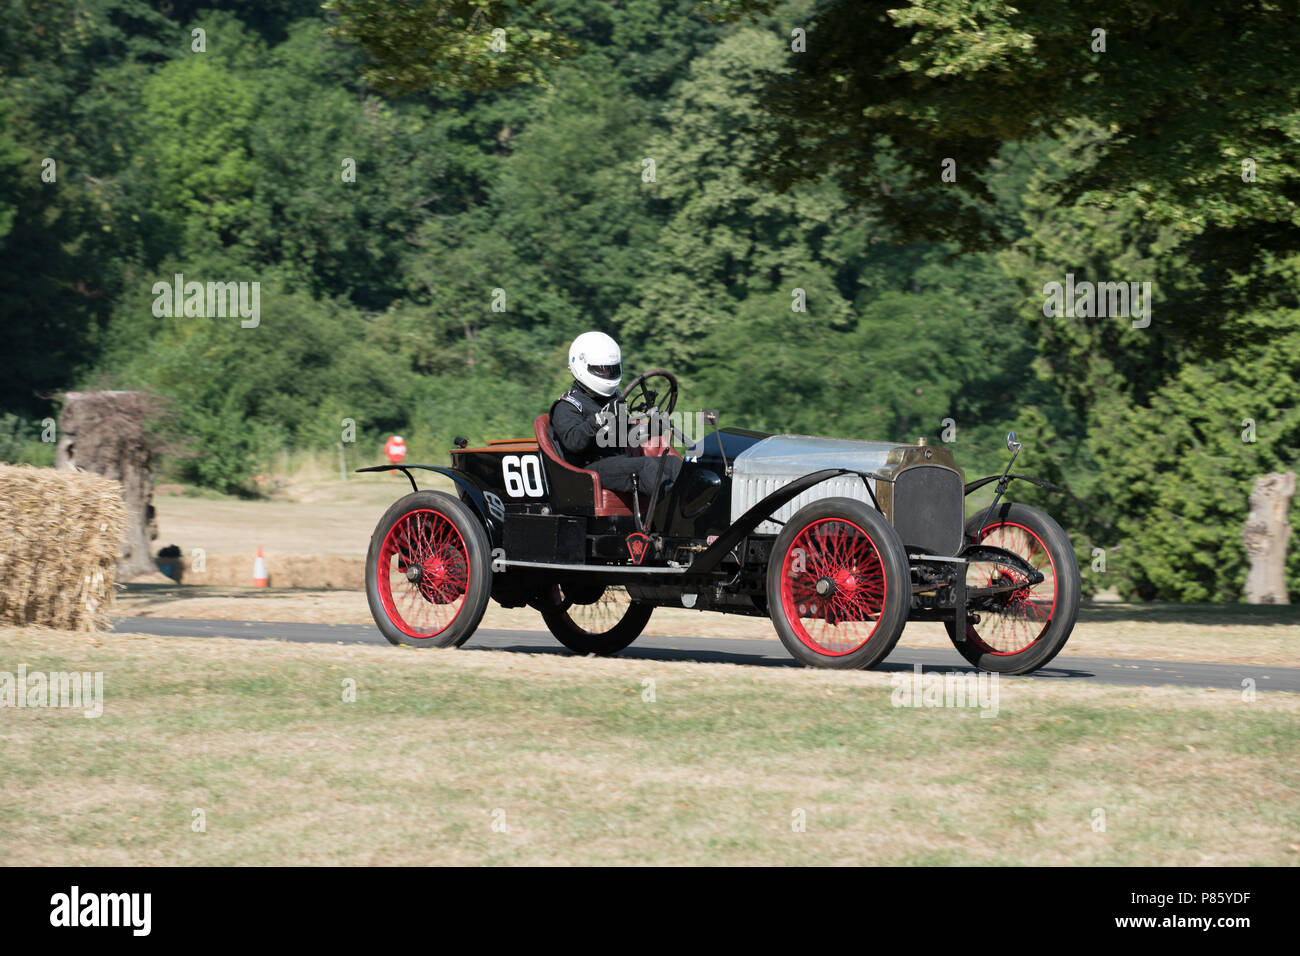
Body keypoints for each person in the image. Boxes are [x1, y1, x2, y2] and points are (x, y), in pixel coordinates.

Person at [549, 331, 682, 497]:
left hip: (617, 462)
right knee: (645, 466)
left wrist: (652, 429)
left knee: (673, 463)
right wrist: (599, 420)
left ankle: (698, 507)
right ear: (582, 366)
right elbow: (573, 441)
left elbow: (626, 435)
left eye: (611, 370)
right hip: (586, 470)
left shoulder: (613, 399)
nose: (607, 375)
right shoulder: (567, 405)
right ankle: (673, 507)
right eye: (601, 370)